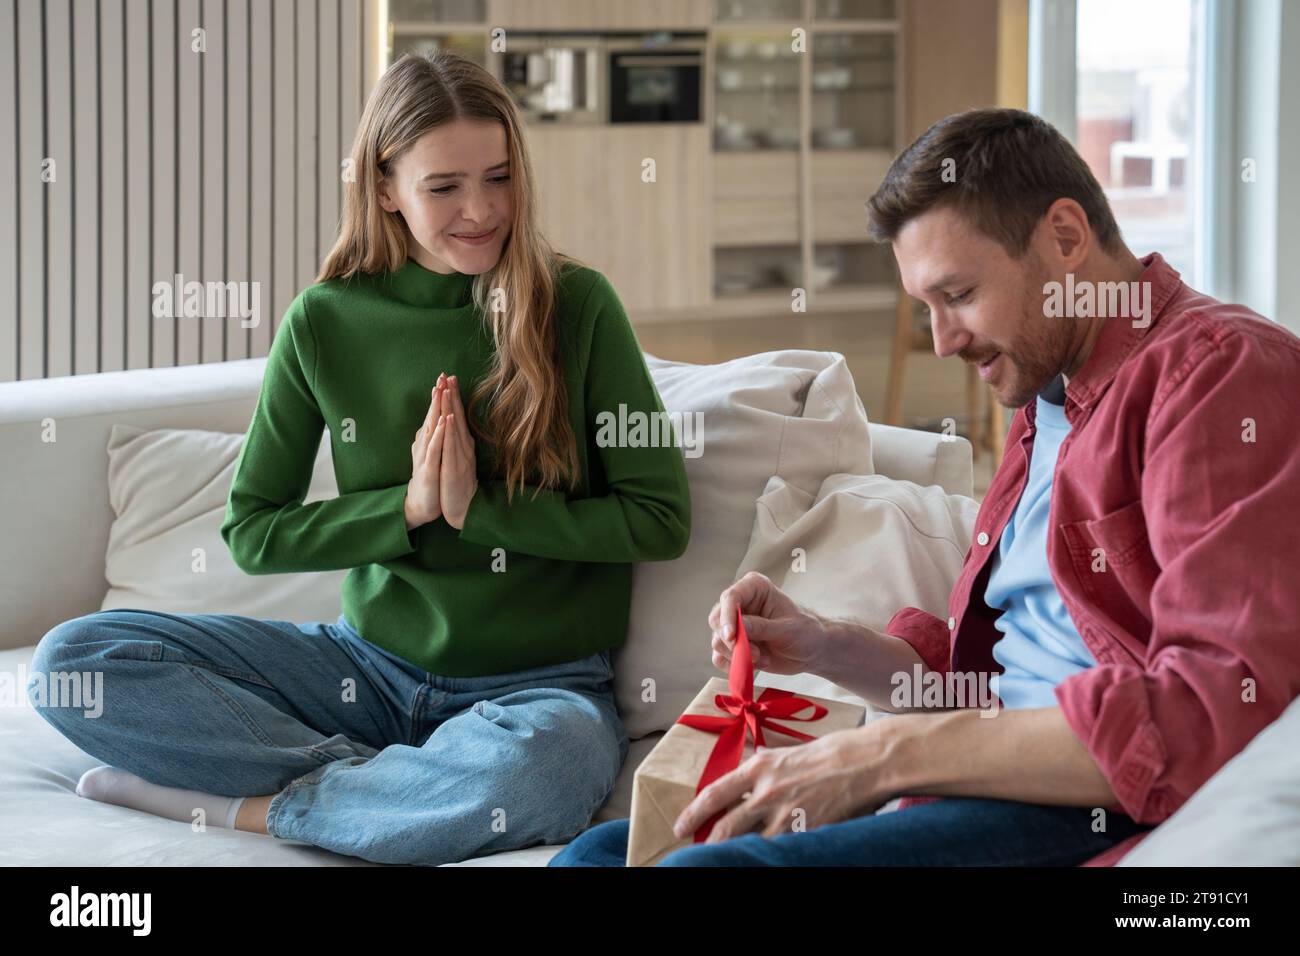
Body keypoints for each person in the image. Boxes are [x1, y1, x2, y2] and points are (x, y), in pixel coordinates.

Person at [551, 107, 1300, 867]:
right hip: (977, 780)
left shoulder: (1220, 376)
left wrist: (884, 757)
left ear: (1066, 237)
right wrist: (825, 644)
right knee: (602, 857)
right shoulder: (1048, 399)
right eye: (928, 308)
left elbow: (1212, 705)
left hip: (1088, 808)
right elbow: (983, 686)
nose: (943, 341)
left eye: (960, 294)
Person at [27, 51, 690, 867]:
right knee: (73, 662)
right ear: (384, 188)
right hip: (364, 672)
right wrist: (408, 509)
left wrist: (479, 509)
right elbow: (254, 532)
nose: (481, 210)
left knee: (552, 768)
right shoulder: (325, 320)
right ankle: (390, 789)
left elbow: (659, 520)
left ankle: (266, 806)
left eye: (499, 176)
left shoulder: (578, 304)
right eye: (444, 186)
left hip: (539, 691)